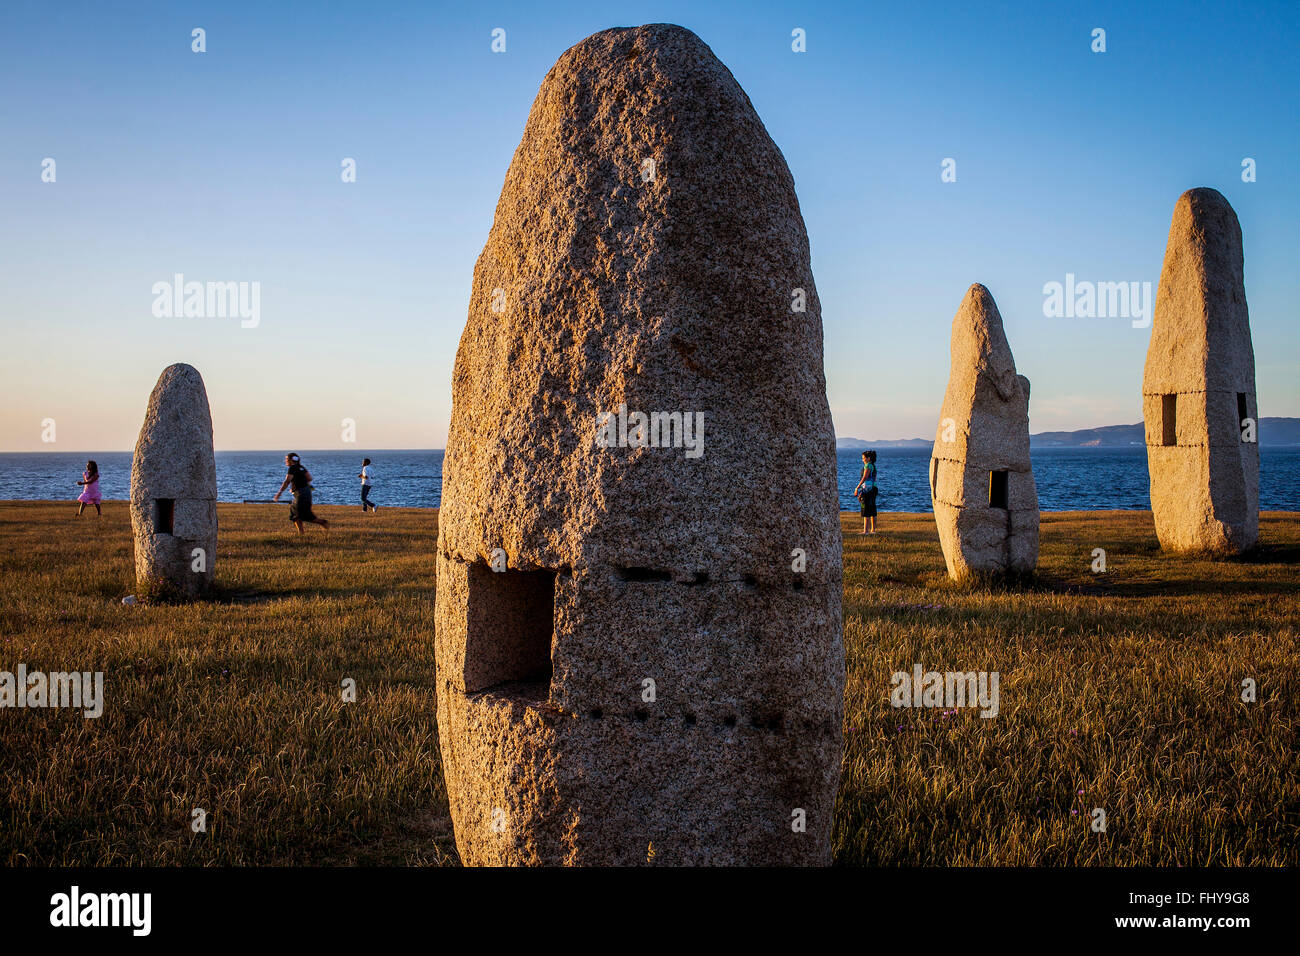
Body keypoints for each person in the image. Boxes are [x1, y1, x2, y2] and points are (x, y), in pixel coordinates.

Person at [273, 452, 329, 535]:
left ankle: (323, 522)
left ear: (291, 460)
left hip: (301, 494)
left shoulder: (292, 468)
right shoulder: (301, 467)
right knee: (294, 513)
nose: (285, 461)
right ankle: (301, 533)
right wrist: (297, 486)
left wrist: (279, 492)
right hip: (305, 493)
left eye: (287, 459)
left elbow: (287, 481)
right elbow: (309, 478)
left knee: (305, 515)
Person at [853, 449, 878, 535]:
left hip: (868, 489)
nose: (862, 460)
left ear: (868, 458)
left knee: (865, 509)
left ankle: (865, 531)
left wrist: (857, 487)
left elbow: (865, 477)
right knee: (873, 509)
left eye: (863, 458)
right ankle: (873, 530)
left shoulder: (867, 466)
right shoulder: (873, 466)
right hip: (874, 488)